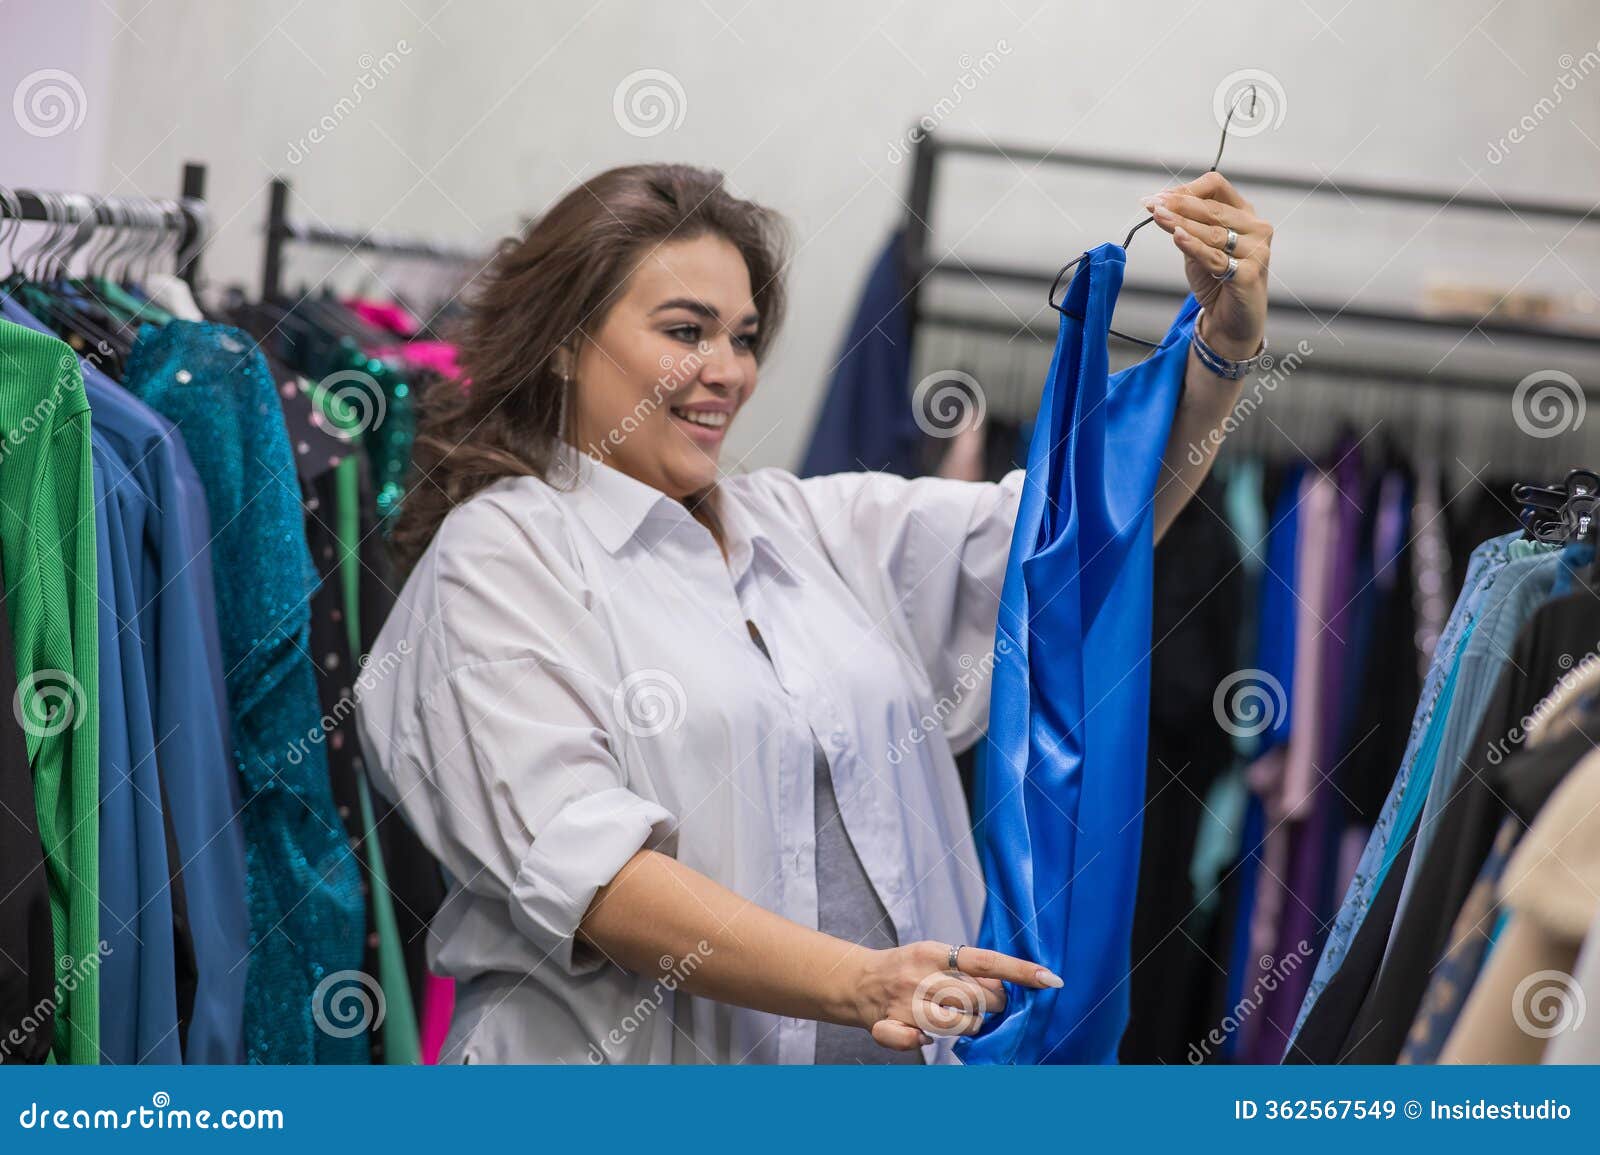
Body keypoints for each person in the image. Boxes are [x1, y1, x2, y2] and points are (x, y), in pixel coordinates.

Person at [358, 162, 1274, 1064]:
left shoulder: (802, 527)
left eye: (745, 338)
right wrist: (864, 980)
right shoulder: (499, 560)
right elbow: (596, 879)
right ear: (563, 338)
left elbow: (1073, 541)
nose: (728, 372)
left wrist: (1219, 348)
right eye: (687, 330)